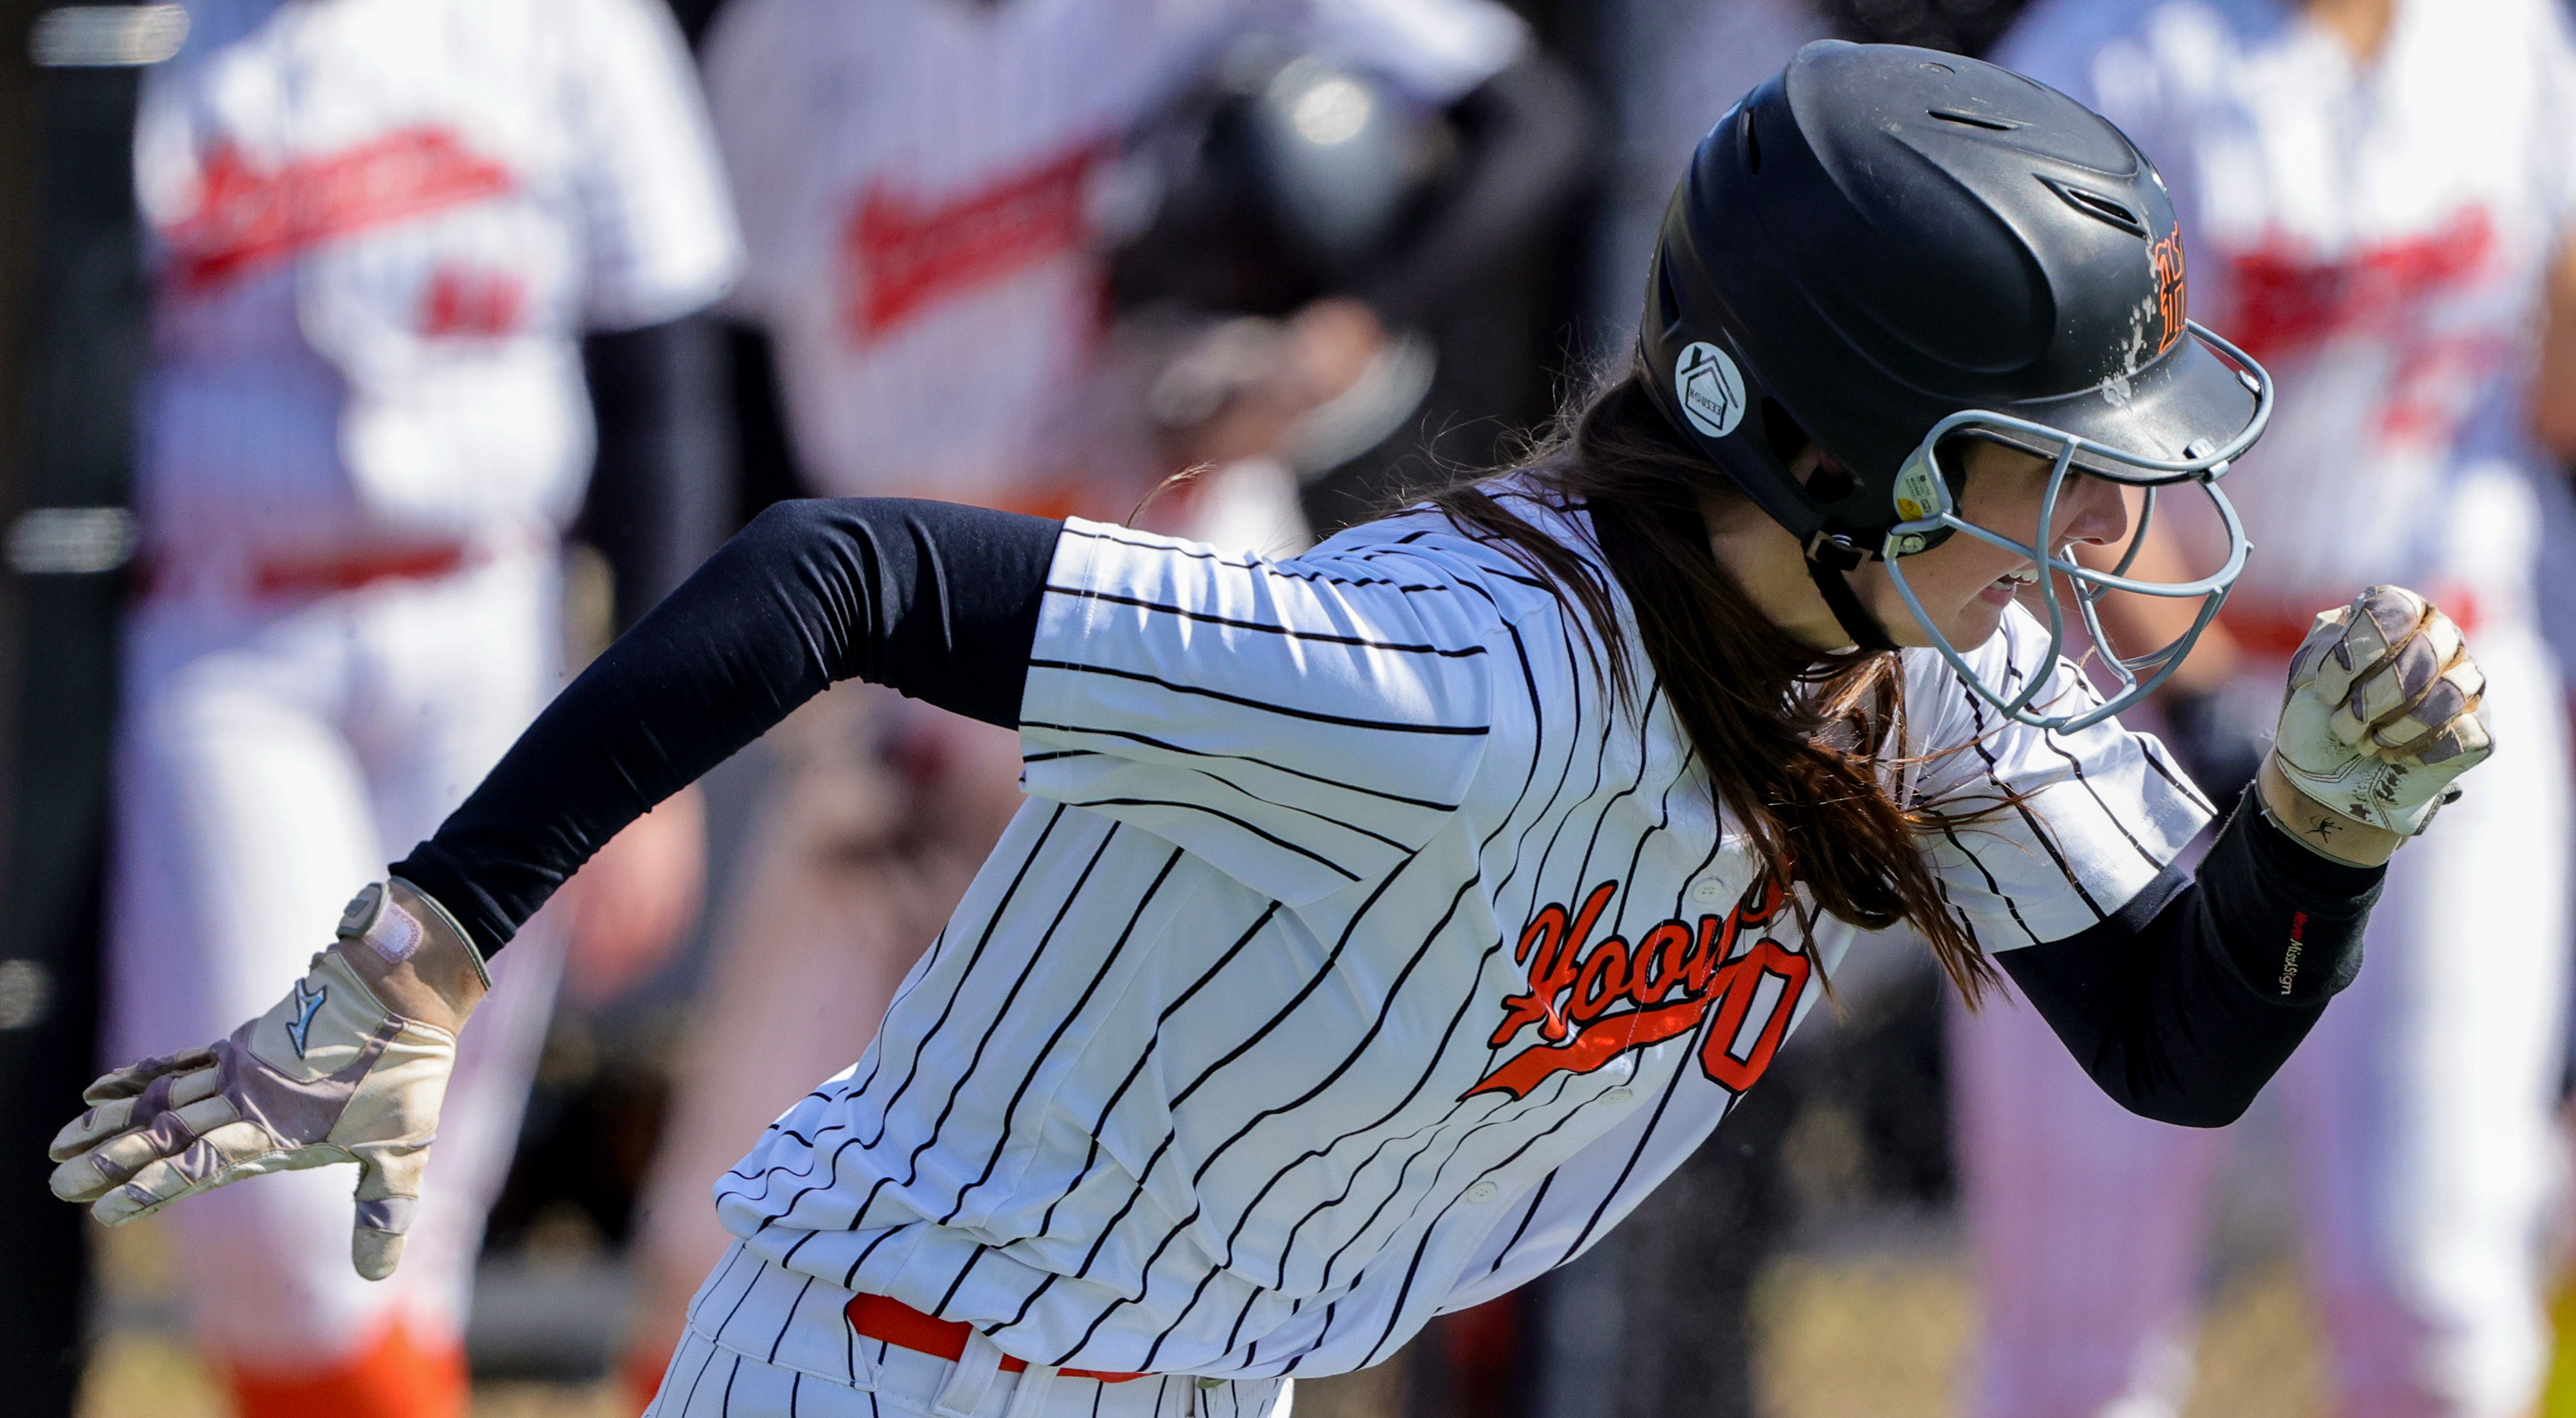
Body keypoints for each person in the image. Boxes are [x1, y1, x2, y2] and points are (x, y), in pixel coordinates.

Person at [49, 42, 2491, 1418]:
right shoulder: (1473, 672)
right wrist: (424, 945)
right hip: (907, 1372)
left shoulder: (1929, 657)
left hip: (1180, 1382)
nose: (2098, 511)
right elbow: (838, 570)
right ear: (1826, 457)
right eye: (2033, 459)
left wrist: (2325, 828)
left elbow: (2181, 1037)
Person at [617, 0, 1586, 1396]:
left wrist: (1343, 329)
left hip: (1178, 609)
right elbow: (731, 365)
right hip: (888, 640)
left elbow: (1529, 123)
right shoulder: (789, 37)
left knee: (1179, 1222)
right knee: (720, 1213)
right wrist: (816, 715)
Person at [105, 0, 740, 1412]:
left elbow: (660, 377)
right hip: (232, 635)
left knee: (416, 1201)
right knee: (265, 1181)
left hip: (486, 625)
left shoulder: (563, 24)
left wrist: (657, 752)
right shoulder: (150, 28)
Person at [1952, 3, 2576, 1415]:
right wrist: (2220, 682)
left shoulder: (2511, 39)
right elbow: (2036, 427)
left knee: (2440, 1302)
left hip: (2450, 696)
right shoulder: (2103, 54)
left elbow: (2558, 393)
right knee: (2069, 1341)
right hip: (2124, 710)